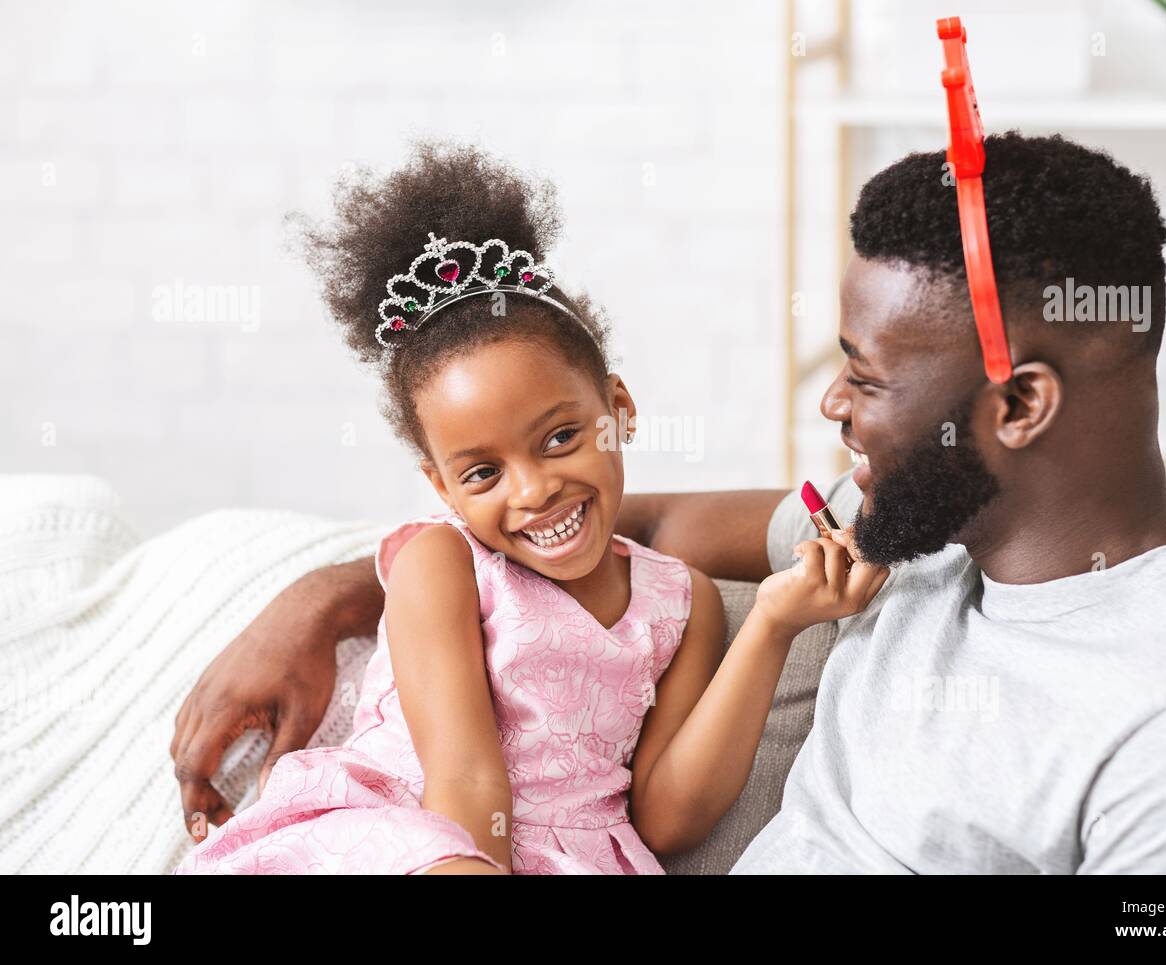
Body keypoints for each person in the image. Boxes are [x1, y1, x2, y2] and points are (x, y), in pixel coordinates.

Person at [173, 132, 1166, 874]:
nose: (830, 404)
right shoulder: (910, 531)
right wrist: (328, 597)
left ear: (1017, 406)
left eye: (863, 375)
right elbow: (617, 533)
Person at [171, 142, 884, 875]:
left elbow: (668, 816)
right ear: (443, 488)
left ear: (618, 407)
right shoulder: (439, 564)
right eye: (482, 472)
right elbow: (466, 780)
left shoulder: (684, 603)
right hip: (424, 839)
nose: (533, 489)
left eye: (561, 437)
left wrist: (772, 622)